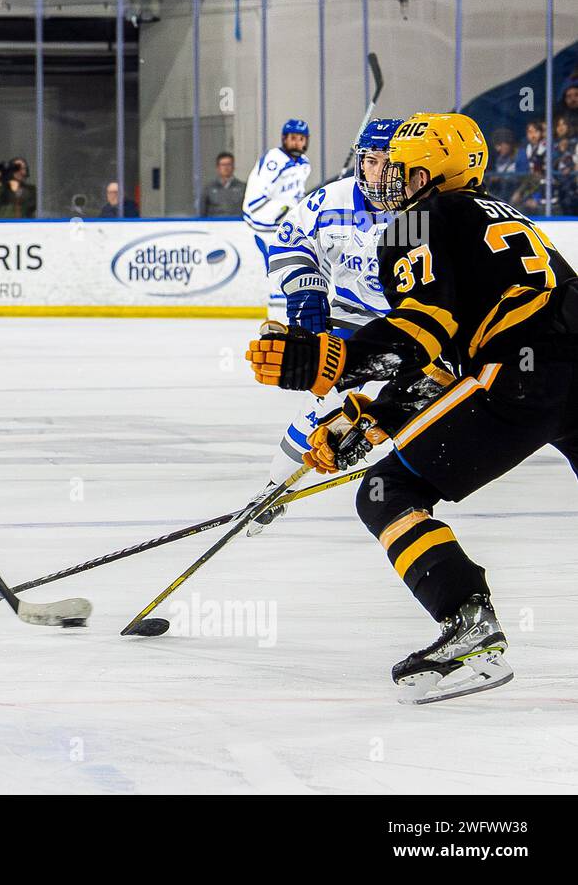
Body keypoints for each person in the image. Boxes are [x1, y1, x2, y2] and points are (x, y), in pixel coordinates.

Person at [246, 112, 578, 704]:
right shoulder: (506, 216)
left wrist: (336, 359)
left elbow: (423, 328)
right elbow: (447, 360)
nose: (392, 179)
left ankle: (470, 631)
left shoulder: (417, 222)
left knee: (385, 493)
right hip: (553, 364)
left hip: (525, 374)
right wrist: (375, 416)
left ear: (436, 171)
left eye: (404, 168)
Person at [246, 118, 403, 534]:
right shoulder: (330, 201)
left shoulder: (424, 207)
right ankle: (272, 490)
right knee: (323, 398)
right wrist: (306, 290)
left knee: (422, 401)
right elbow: (289, 238)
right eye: (371, 160)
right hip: (353, 313)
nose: (379, 172)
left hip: (418, 320)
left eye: (391, 163)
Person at [242, 120, 312, 318]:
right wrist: (285, 210)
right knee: (278, 268)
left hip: (282, 220)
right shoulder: (275, 160)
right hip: (263, 220)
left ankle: (282, 313)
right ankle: (276, 317)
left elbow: (297, 196)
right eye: (293, 139)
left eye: (301, 139)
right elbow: (256, 201)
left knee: (289, 266)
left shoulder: (304, 164)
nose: (297, 143)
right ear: (284, 139)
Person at [201, 152, 246, 217]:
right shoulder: (209, 189)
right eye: (223, 165)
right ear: (218, 168)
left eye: (229, 164)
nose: (226, 168)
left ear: (233, 167)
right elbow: (202, 212)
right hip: (214, 225)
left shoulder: (242, 188)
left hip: (236, 225)